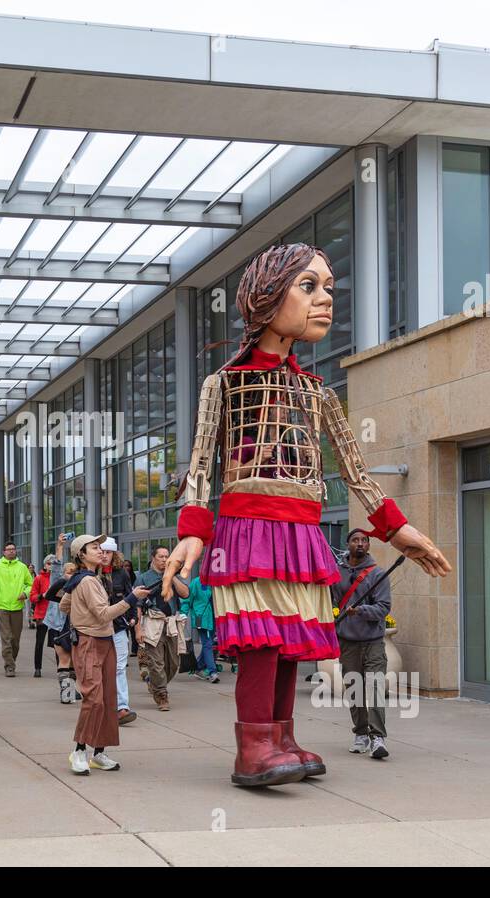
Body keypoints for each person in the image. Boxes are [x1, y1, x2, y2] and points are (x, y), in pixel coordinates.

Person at [164, 242, 450, 788]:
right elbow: (200, 466)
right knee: (262, 639)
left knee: (291, 638)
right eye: (309, 287)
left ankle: (281, 736)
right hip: (248, 532)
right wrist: (193, 533)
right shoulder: (221, 384)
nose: (325, 301)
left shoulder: (319, 393)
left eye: (329, 290)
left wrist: (401, 531)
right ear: (267, 297)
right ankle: (253, 747)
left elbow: (357, 474)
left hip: (301, 531)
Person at [59, 534, 150, 775]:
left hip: (101, 640)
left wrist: (80, 615)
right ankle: (79, 751)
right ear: (81, 554)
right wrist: (132, 599)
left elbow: (64, 605)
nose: (101, 551)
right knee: (95, 699)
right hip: (91, 642)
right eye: (95, 548)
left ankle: (99, 753)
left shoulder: (86, 578)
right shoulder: (87, 580)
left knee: (108, 699)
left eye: (101, 547)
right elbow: (102, 614)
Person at [331, 529, 393, 759]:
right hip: (348, 641)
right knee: (355, 691)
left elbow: (384, 608)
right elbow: (328, 600)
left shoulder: (378, 574)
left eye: (364, 541)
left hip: (373, 641)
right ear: (348, 544)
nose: (360, 543)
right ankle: (361, 734)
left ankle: (378, 738)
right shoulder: (337, 573)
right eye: (356, 540)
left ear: (368, 545)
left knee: (375, 689)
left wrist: (361, 611)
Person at [135, 545, 189, 712]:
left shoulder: (174, 576)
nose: (165, 559)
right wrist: (138, 629)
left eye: (167, 556)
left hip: (171, 623)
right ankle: (161, 696)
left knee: (173, 663)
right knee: (156, 662)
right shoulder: (143, 578)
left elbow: (185, 593)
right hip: (152, 622)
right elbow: (136, 605)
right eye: (161, 556)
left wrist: (171, 576)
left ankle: (155, 682)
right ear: (153, 558)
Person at [98, 539, 139, 724]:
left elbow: (130, 595)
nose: (105, 555)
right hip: (97, 629)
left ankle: (122, 707)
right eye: (102, 552)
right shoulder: (90, 574)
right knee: (98, 668)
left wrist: (132, 618)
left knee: (119, 668)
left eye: (108, 552)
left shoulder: (122, 573)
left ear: (114, 554)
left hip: (118, 627)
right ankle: (102, 706)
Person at [0, 541, 33, 678]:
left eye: (13, 549)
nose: (11, 551)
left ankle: (11, 660)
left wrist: (25, 593)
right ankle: (9, 666)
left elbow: (30, 584)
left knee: (15, 640)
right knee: (6, 638)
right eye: (8, 549)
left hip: (17, 607)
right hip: (1, 607)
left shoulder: (22, 567)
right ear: (4, 552)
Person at [43, 554, 80, 705]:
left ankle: (71, 690)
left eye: (73, 572)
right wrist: (64, 579)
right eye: (68, 571)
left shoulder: (80, 588)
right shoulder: (61, 590)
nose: (71, 574)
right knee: (64, 659)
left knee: (73, 662)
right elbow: (50, 594)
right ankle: (67, 693)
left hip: (76, 627)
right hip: (60, 626)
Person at [180, 572, 220, 683]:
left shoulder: (219, 581)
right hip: (201, 617)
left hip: (214, 617)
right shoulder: (196, 582)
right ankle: (212, 672)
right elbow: (187, 599)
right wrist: (183, 613)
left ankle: (198, 667)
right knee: (207, 644)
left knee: (209, 643)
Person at [29, 551, 56, 678]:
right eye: (49, 563)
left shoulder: (58, 577)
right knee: (39, 642)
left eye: (54, 563)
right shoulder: (39, 578)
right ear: (45, 565)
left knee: (57, 644)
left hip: (55, 615)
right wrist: (42, 596)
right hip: (42, 615)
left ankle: (61, 668)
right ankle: (37, 668)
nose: (51, 566)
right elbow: (32, 597)